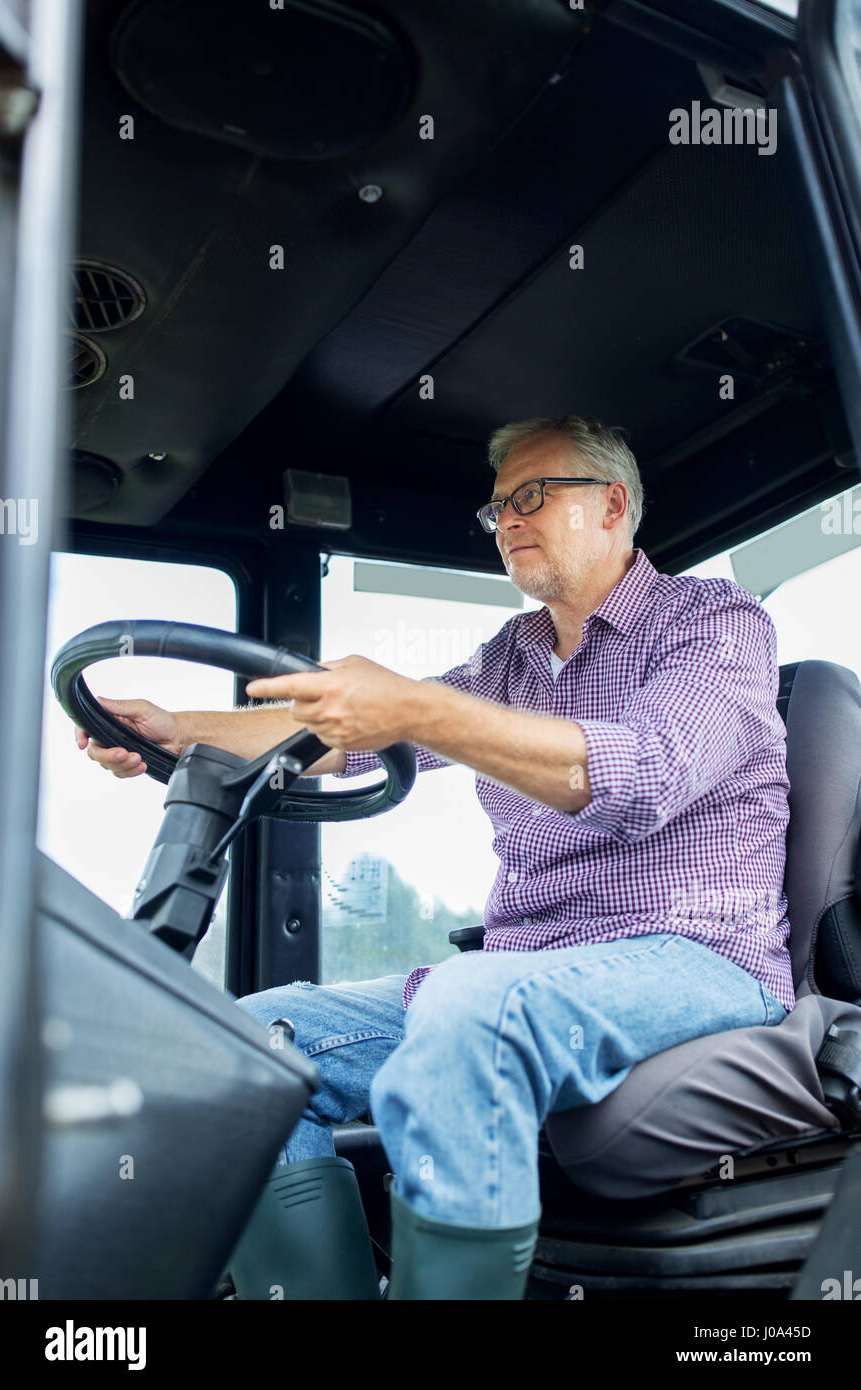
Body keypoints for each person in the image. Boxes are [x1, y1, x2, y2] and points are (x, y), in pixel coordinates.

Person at [75, 414, 793, 1300]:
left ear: (613, 504)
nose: (510, 520)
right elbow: (344, 738)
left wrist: (413, 707)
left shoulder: (715, 622)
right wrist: (179, 731)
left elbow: (646, 773)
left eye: (533, 495)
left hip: (700, 958)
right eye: (498, 509)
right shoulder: (513, 658)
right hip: (531, 968)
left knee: (472, 1000)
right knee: (244, 1043)